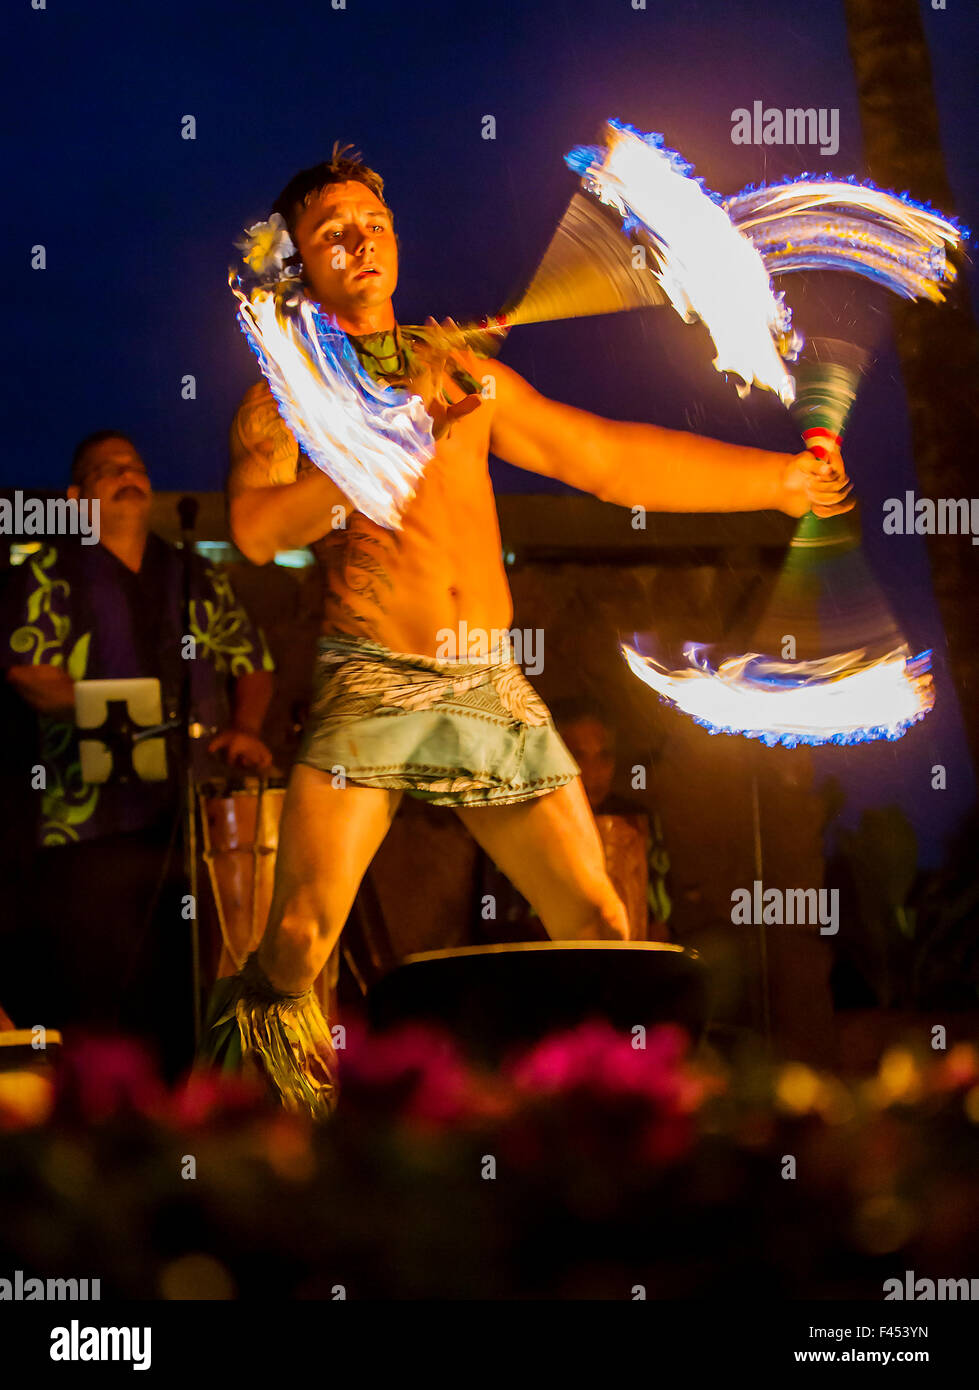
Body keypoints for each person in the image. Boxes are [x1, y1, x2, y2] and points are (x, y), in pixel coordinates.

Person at [201, 144, 852, 1116]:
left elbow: (602, 459)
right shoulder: (285, 399)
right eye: (331, 232)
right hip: (369, 685)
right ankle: (246, 1134)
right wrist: (378, 443)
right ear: (301, 264)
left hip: (487, 686)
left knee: (597, 923)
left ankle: (600, 1131)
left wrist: (776, 482)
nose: (359, 240)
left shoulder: (460, 373)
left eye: (373, 224)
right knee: (295, 937)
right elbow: (256, 532)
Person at [0, 431, 275, 1075]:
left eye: (137, 467)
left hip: (191, 826)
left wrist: (246, 726)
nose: (129, 475)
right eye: (108, 470)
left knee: (185, 991)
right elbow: (29, 673)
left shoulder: (194, 575)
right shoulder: (45, 571)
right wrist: (122, 710)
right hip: (87, 827)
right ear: (76, 498)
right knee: (98, 996)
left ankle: (187, 1113)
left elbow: (253, 661)